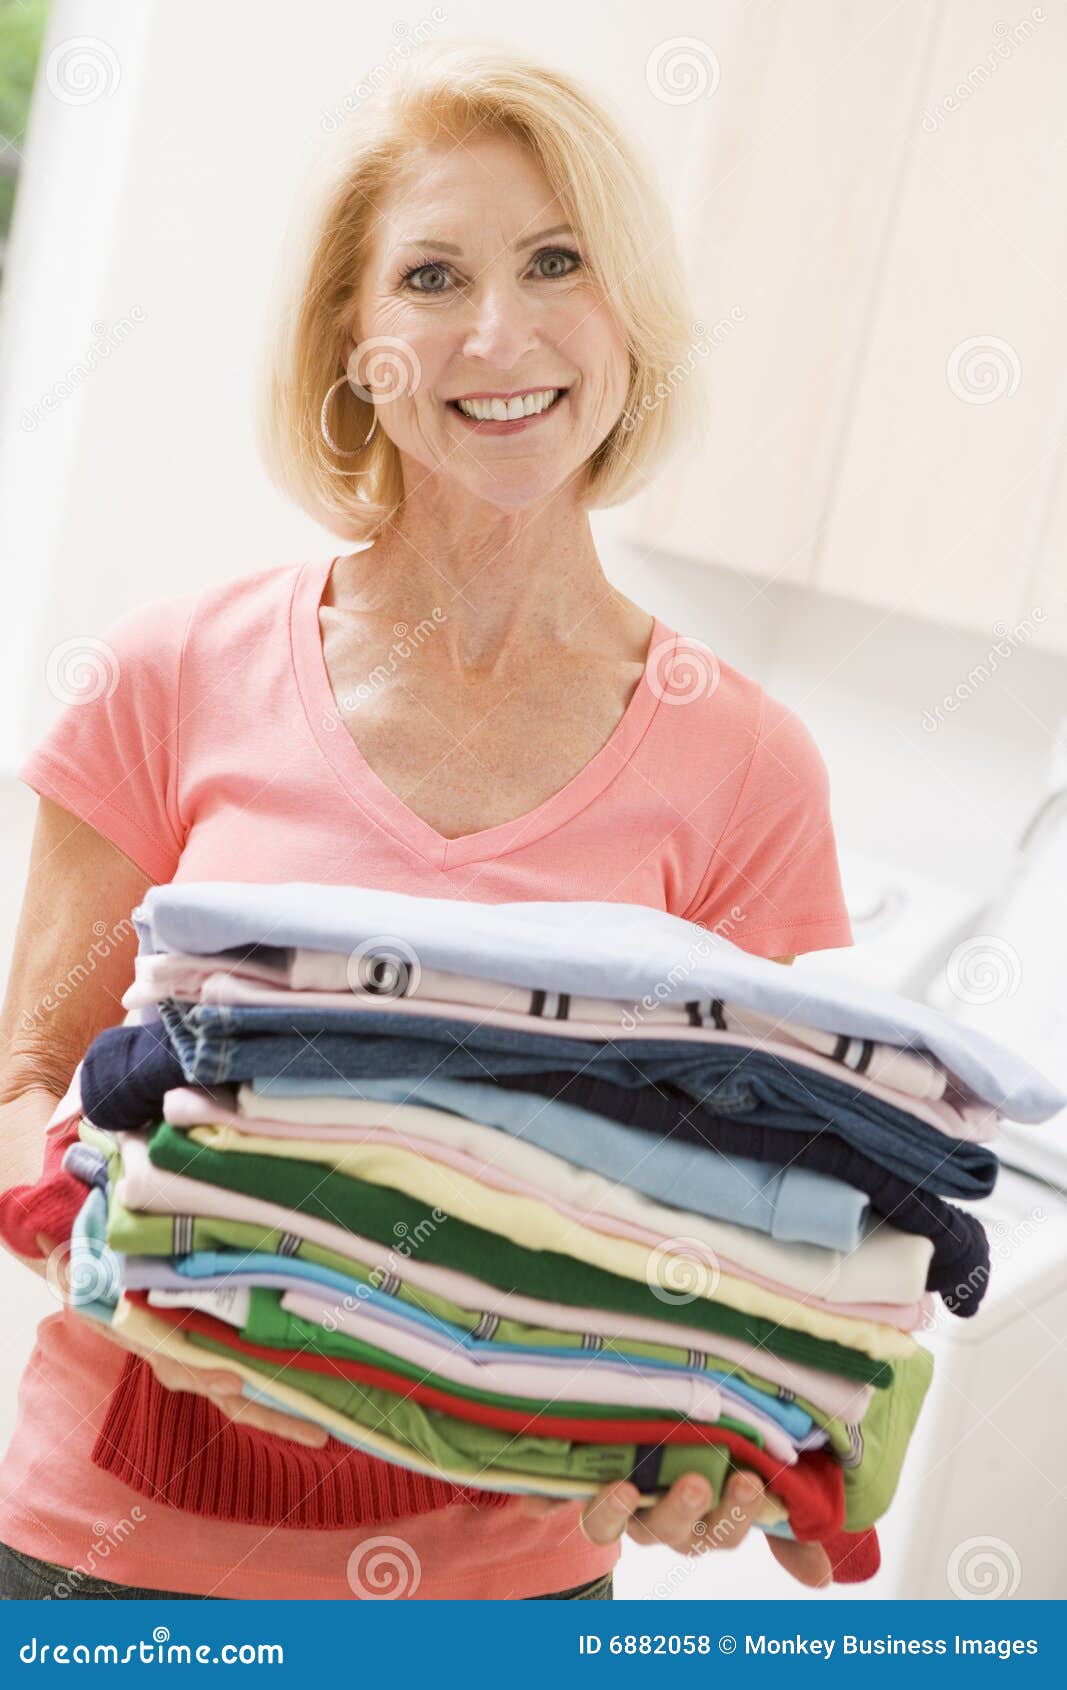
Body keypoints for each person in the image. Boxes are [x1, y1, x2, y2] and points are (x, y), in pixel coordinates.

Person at [0, 40, 853, 1600]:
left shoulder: (745, 766)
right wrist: (125, 1269)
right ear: (354, 334)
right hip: (107, 1559)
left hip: (502, 1593)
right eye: (433, 276)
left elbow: (795, 1225)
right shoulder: (165, 677)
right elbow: (26, 1086)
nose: (499, 332)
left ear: (630, 316)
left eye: (556, 262)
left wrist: (725, 1454)